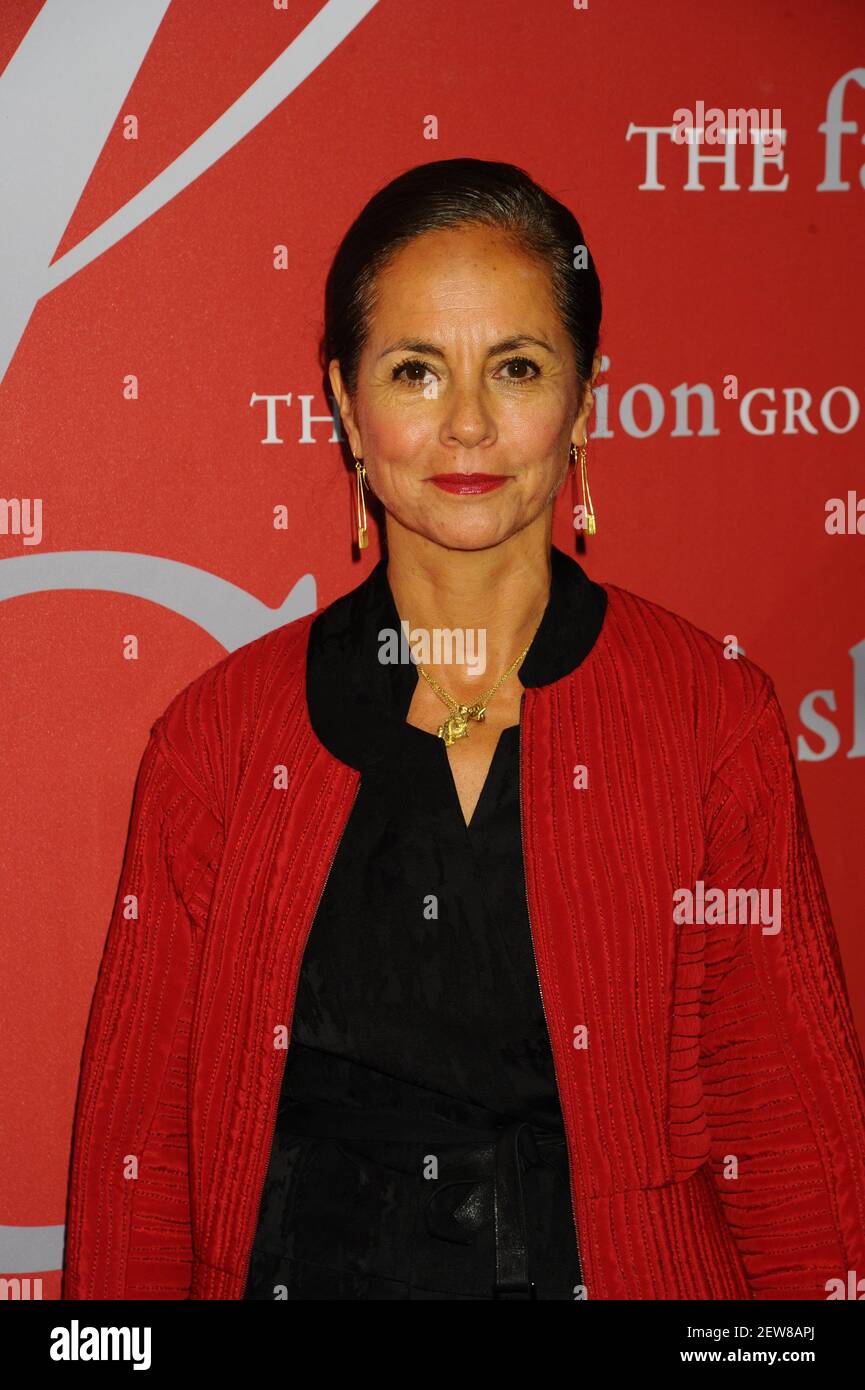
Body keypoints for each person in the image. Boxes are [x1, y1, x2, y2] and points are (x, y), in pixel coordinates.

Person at [63, 158, 865, 1302]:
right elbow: (136, 1187)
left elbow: (796, 1163)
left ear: (584, 394)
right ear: (345, 402)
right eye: (416, 370)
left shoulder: (708, 721)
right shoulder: (219, 747)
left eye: (518, 366)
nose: (471, 422)